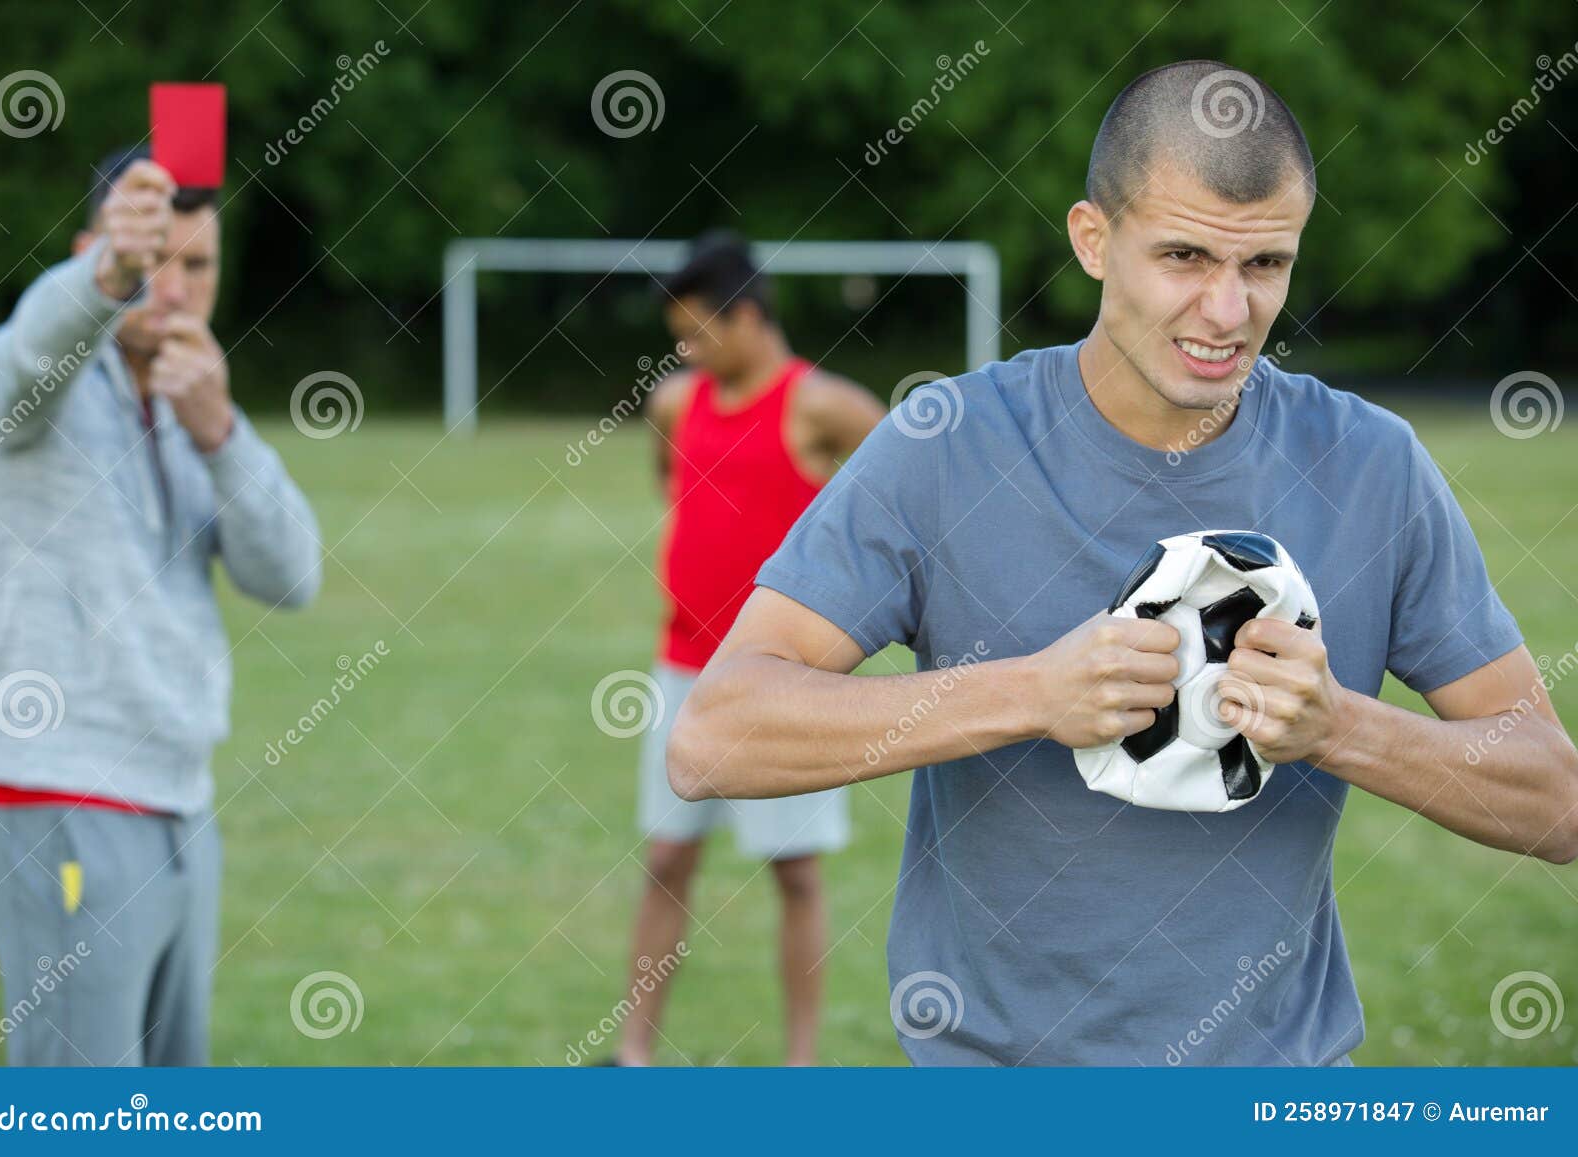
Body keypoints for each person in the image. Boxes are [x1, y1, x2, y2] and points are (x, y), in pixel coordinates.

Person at [665, 62, 1578, 1066]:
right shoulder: (945, 444)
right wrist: (1030, 691)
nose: (1226, 310)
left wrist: (1340, 727)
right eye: (1183, 255)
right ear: (1092, 240)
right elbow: (713, 736)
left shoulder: (1371, 466)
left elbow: (1554, 798)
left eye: (1265, 264)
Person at [0, 147, 322, 1066]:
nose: (172, 287)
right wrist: (102, 280)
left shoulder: (187, 401)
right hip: (63, 784)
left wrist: (223, 433)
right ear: (98, 250)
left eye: (197, 263)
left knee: (173, 1095)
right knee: (77, 1108)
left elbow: (292, 573)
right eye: (148, 258)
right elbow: (29, 352)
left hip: (179, 796)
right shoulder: (29, 391)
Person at [608, 231, 885, 1066]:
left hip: (782, 681)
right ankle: (631, 1057)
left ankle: (799, 1067)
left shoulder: (824, 405)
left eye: (698, 332)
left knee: (795, 872)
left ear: (750, 317)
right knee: (665, 857)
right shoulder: (672, 402)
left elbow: (899, 502)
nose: (687, 350)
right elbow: (673, 484)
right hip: (682, 665)